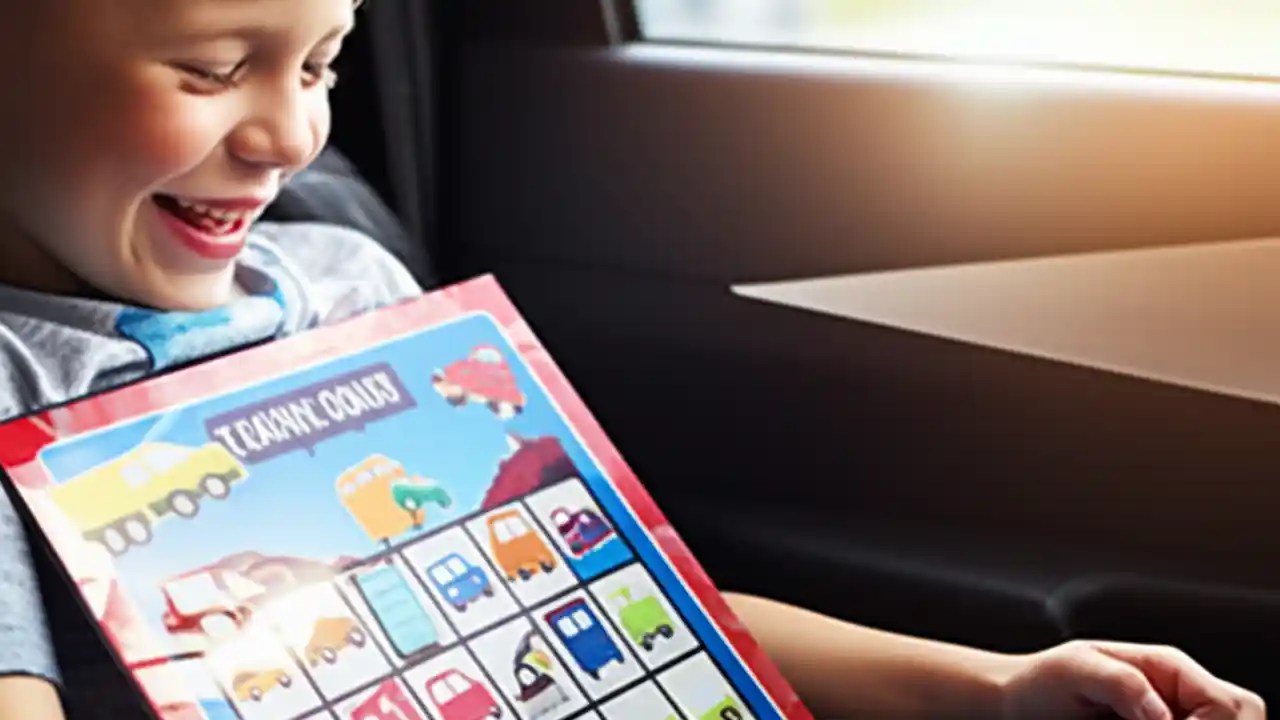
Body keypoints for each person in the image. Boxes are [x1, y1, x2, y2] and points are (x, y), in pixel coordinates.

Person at [0, 1, 1263, 719]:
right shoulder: (18, 388)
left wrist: (994, 688)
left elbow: (630, 609)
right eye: (213, 71)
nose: (289, 133)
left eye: (324, 62)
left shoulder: (351, 291)